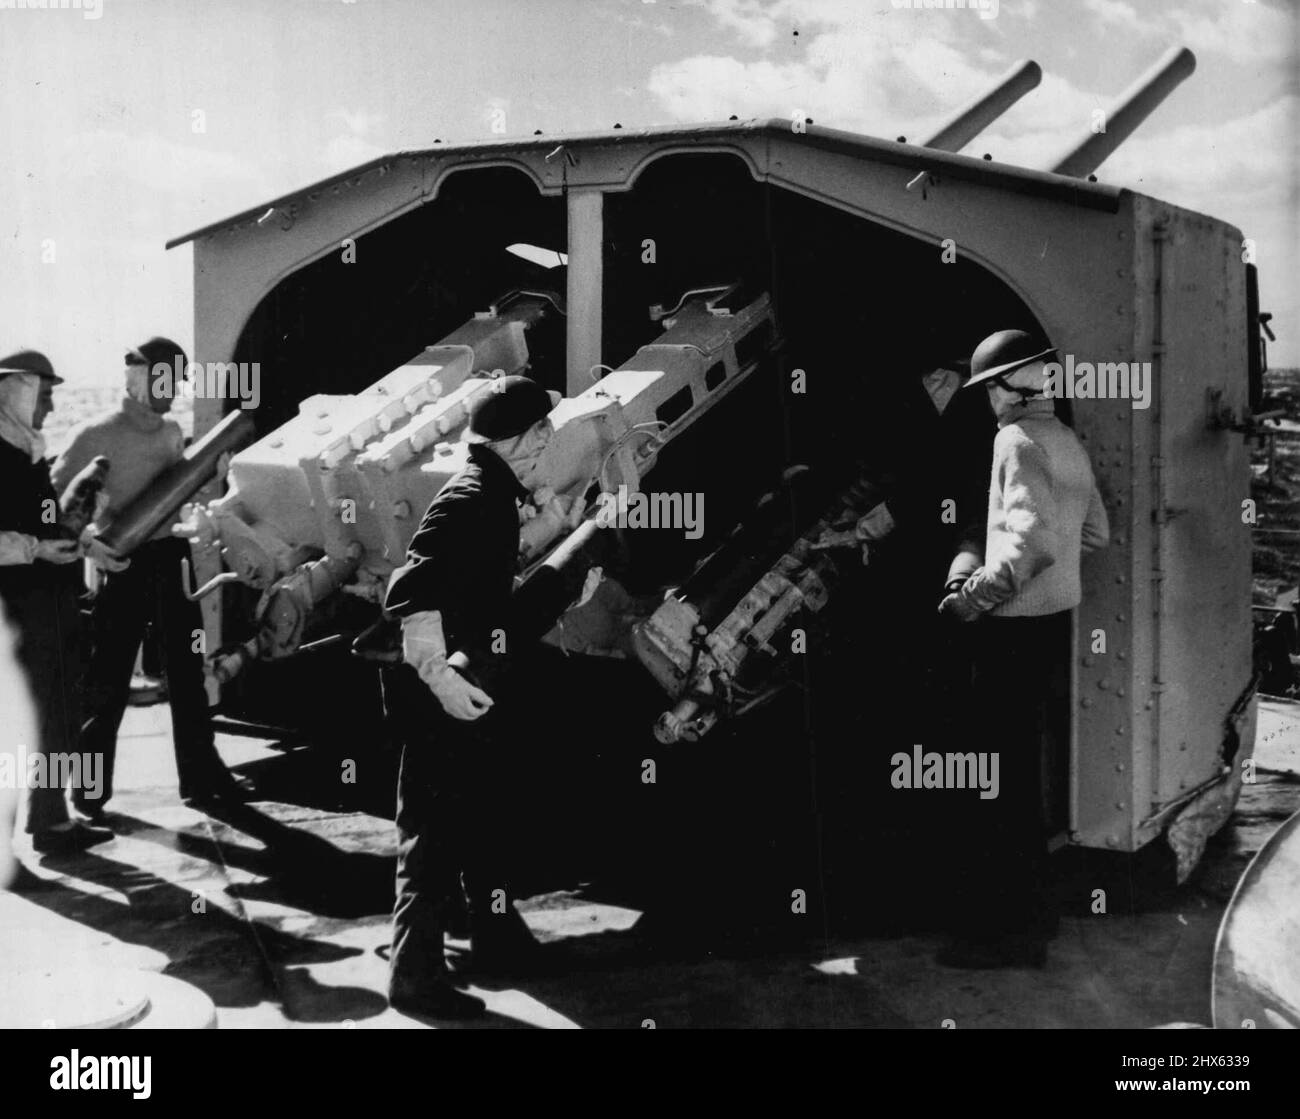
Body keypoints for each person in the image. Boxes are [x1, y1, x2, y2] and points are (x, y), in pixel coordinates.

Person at [382, 375, 557, 1020]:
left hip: (466, 682)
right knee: (432, 838)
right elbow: (410, 589)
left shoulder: (492, 490)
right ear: (529, 435)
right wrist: (439, 675)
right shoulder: (473, 496)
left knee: (480, 818)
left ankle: (498, 942)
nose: (547, 443)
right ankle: (414, 979)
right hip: (441, 690)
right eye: (543, 431)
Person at [936, 329, 1109, 968]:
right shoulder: (1066, 439)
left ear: (1009, 388)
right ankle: (1033, 920)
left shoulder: (1013, 439)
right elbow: (1093, 534)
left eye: (986, 389)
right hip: (1051, 627)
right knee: (1023, 783)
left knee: (995, 787)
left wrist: (973, 595)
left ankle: (1006, 936)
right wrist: (1050, 580)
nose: (985, 401)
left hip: (1009, 631)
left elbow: (1032, 542)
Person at [52, 337, 247, 817]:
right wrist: (89, 543)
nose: (170, 387)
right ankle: (89, 792)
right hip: (123, 564)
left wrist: (214, 474)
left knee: (188, 672)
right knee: (108, 680)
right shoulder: (95, 435)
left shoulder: (171, 433)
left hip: (171, 560)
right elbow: (53, 502)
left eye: (177, 378)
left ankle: (201, 778)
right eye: (162, 376)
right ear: (136, 376)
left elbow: (176, 494)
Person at [0, 351, 117, 853]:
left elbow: (47, 517)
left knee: (57, 714)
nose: (48, 408)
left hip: (47, 610)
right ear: (16, 393)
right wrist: (33, 549)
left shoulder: (28, 452)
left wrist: (86, 543)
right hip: (13, 612)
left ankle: (50, 819)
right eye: (43, 396)